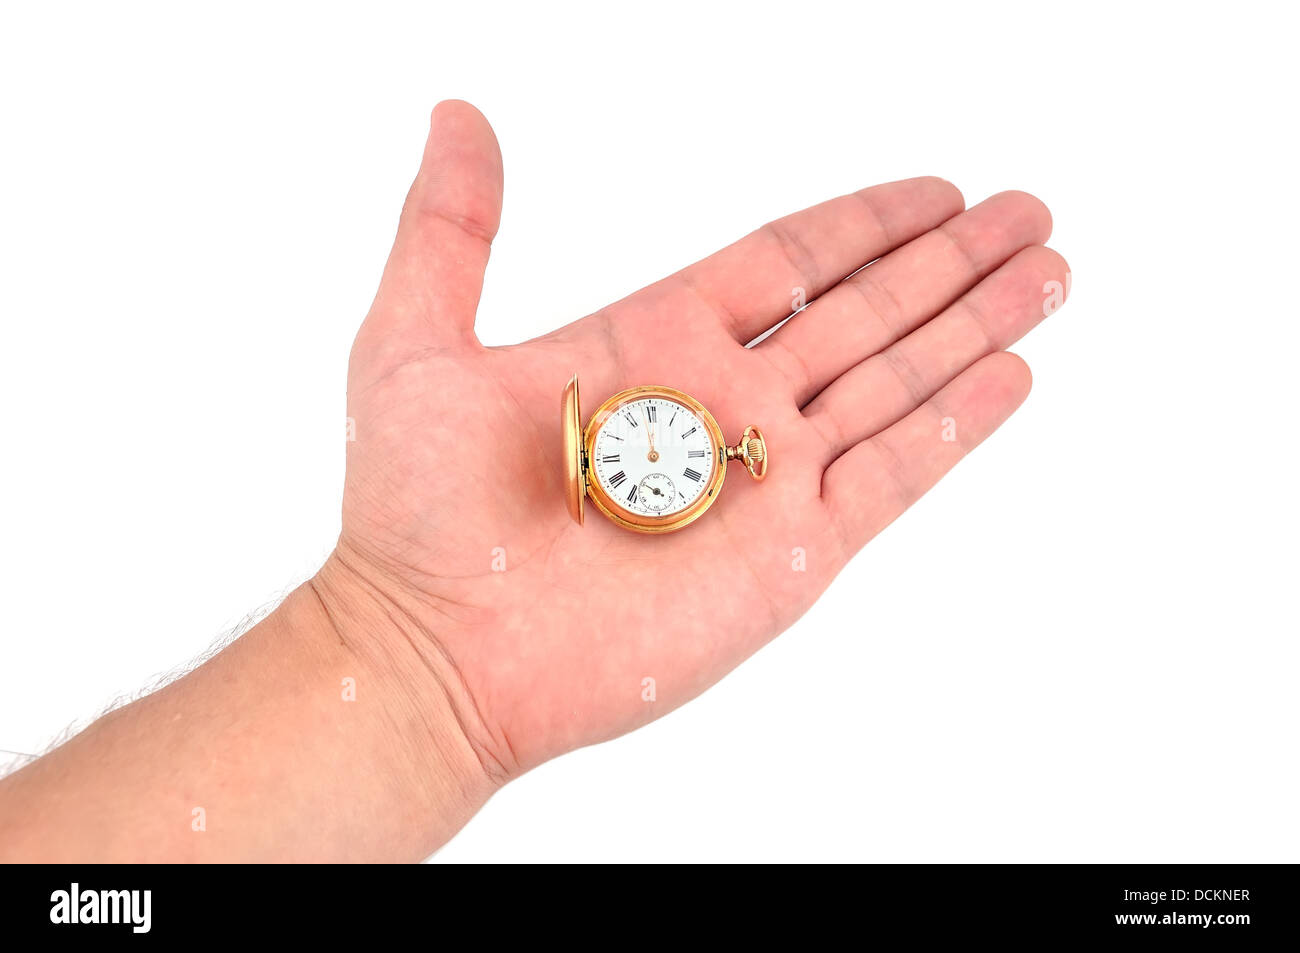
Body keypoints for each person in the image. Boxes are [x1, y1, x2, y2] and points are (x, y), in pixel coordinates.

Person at [0, 101, 1068, 862]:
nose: (656, 459)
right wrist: (401, 649)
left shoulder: (681, 462)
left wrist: (402, 670)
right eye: (645, 453)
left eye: (663, 459)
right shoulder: (637, 455)